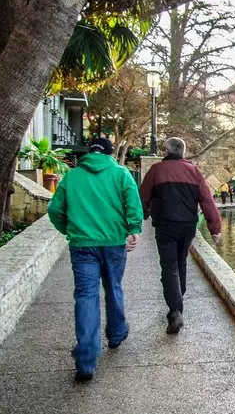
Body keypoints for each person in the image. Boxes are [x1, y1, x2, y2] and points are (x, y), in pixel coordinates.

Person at [48, 138, 143, 382]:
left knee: (86, 297)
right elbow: (133, 204)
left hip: (82, 245)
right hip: (113, 243)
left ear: (89, 153)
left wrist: (70, 230)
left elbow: (55, 211)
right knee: (113, 287)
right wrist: (133, 229)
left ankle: (86, 360)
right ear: (111, 154)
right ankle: (116, 333)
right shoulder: (121, 174)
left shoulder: (72, 176)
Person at [139, 137, 222, 334]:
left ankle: (175, 310)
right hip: (187, 226)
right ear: (183, 152)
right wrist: (215, 228)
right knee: (181, 263)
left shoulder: (156, 171)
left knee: (169, 267)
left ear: (166, 151)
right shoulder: (194, 172)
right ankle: (178, 301)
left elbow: (142, 196)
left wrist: (143, 214)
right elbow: (207, 200)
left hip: (165, 226)